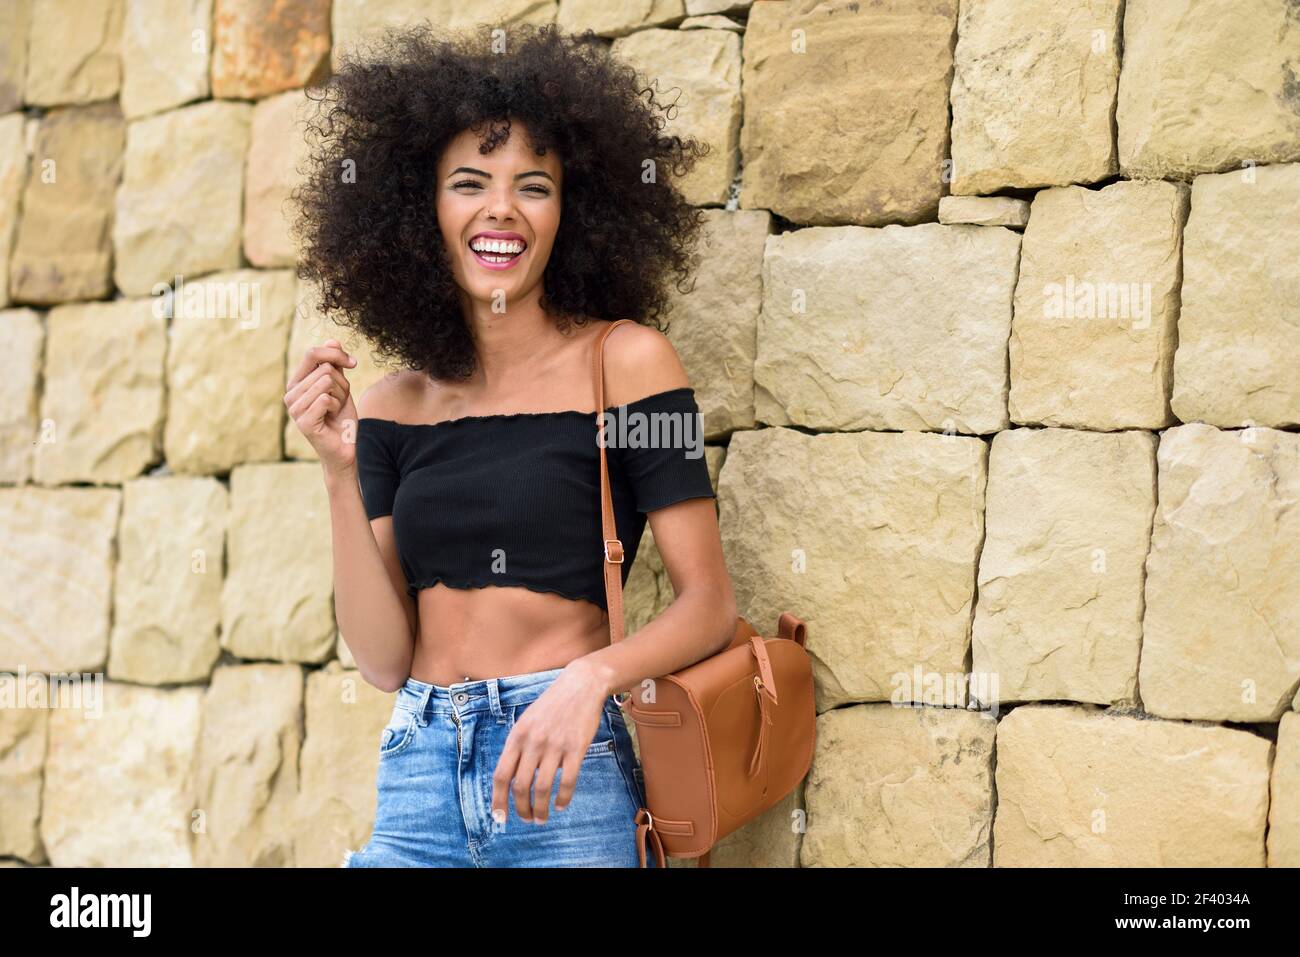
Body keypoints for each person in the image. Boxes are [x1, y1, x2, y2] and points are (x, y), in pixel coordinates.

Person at [284, 22, 737, 867]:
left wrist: (591, 677)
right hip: (417, 773)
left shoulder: (630, 364)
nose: (501, 209)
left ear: (571, 212)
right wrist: (340, 471)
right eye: (468, 183)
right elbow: (383, 659)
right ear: (422, 211)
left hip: (565, 771)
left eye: (533, 186)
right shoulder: (390, 408)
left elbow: (709, 603)